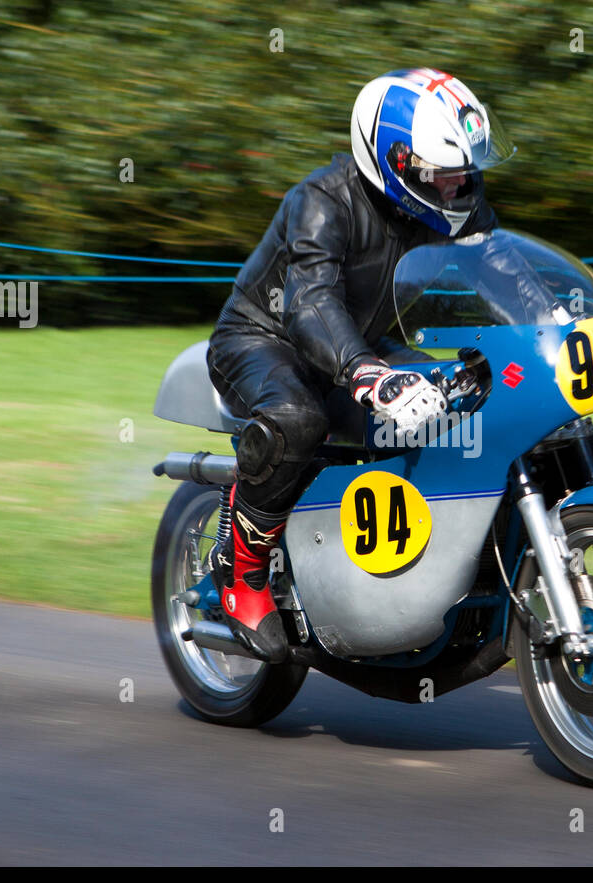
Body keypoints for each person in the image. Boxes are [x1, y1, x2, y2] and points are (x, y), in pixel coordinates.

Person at [205, 68, 519, 663]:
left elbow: (507, 275)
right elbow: (310, 302)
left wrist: (567, 322)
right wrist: (370, 375)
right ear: (394, 161)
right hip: (263, 338)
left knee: (461, 399)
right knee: (298, 419)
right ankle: (240, 565)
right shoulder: (322, 202)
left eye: (465, 175)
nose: (457, 188)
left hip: (359, 343)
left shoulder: (454, 207)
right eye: (442, 175)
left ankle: (415, 571)